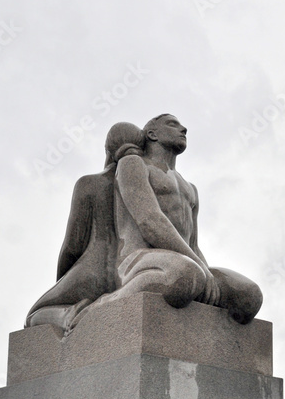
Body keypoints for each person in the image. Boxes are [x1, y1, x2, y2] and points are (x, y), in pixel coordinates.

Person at [95, 113, 262, 324]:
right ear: (152, 134)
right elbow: (150, 221)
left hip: (187, 261)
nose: (184, 129)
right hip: (137, 260)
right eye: (173, 124)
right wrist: (198, 268)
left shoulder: (190, 188)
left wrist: (206, 275)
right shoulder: (133, 164)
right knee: (185, 276)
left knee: (248, 296)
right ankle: (104, 305)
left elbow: (193, 243)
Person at [25, 122, 143, 330]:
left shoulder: (90, 184)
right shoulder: (145, 188)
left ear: (108, 150)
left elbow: (73, 246)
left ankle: (69, 315)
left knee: (33, 316)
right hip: (129, 273)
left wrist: (63, 281)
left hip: (92, 273)